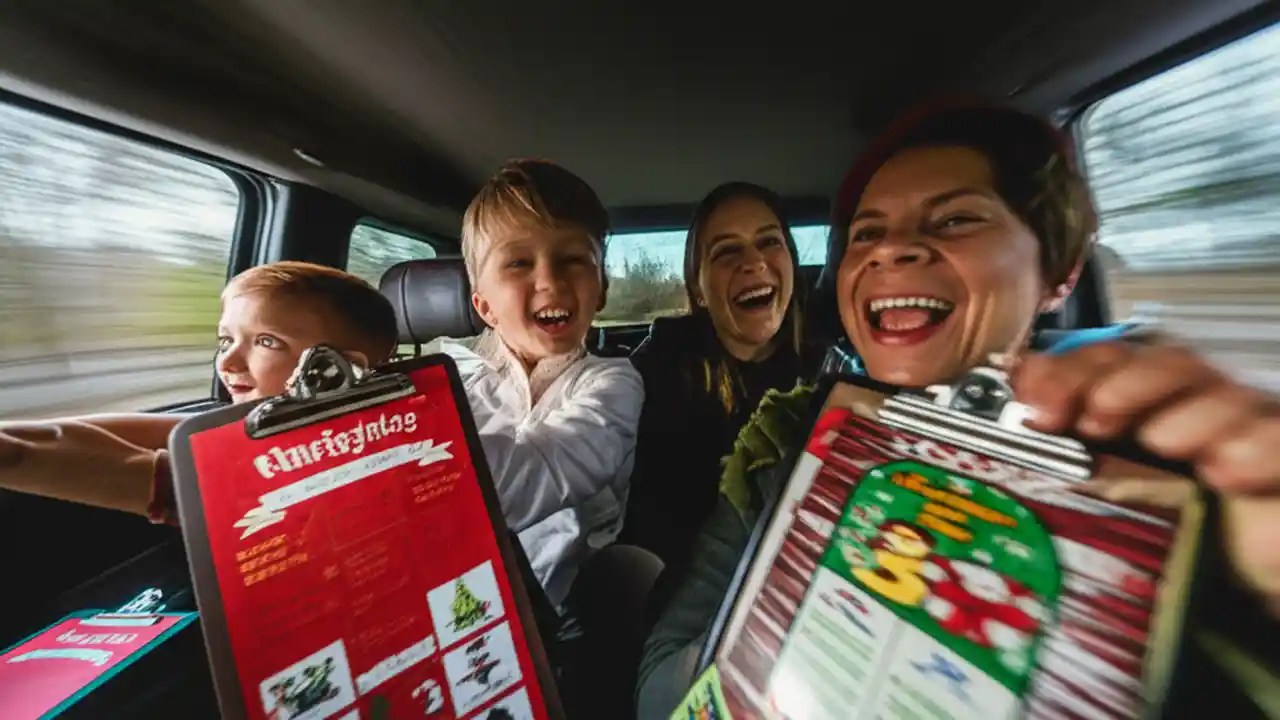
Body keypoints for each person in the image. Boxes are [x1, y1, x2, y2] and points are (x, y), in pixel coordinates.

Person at [636, 103, 1280, 718]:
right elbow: (659, 685)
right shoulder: (785, 443)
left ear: (1060, 271)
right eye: (868, 233)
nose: (892, 250)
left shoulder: (1149, 460)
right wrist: (792, 617)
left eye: (955, 221)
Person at [0, 261, 399, 522]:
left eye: (266, 342)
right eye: (226, 340)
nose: (227, 363)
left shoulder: (305, 469)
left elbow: (20, 459)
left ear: (336, 370)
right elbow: (171, 431)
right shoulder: (267, 425)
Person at [421, 158, 644, 612]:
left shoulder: (613, 383)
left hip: (566, 608)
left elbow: (534, 472)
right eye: (519, 262)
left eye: (573, 259)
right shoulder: (442, 374)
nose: (550, 280)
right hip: (448, 593)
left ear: (601, 289)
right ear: (484, 306)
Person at [621, 182, 811, 577]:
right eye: (727, 251)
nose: (754, 262)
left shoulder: (832, 368)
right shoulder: (656, 373)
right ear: (699, 289)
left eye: (769, 242)